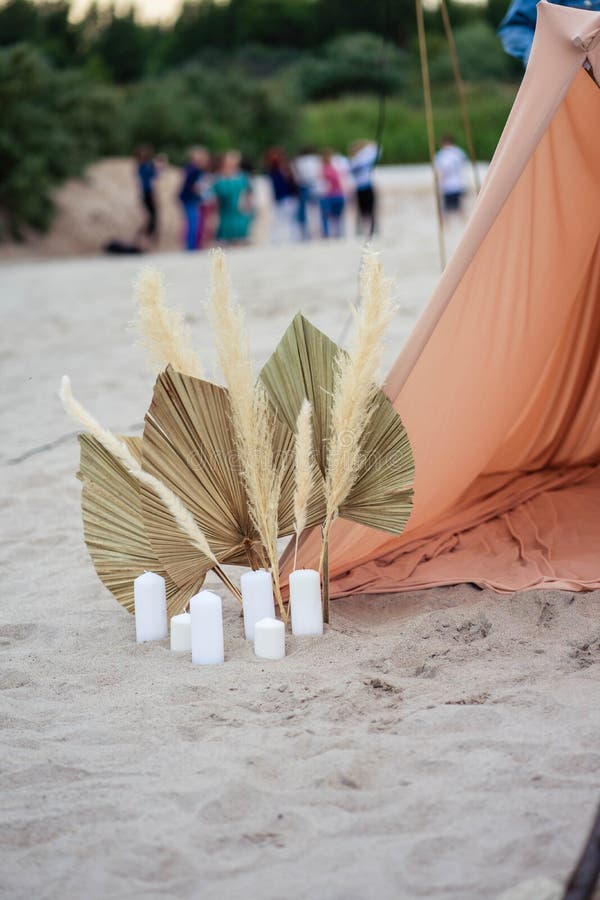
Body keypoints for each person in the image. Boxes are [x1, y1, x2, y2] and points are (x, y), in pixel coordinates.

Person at [212, 151, 254, 245]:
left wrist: (249, 203)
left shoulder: (242, 175)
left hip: (239, 205)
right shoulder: (219, 176)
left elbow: (248, 190)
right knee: (226, 224)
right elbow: (215, 192)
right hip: (225, 207)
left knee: (240, 225)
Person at [178, 147, 210, 251]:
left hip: (188, 198)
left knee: (192, 221)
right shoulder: (195, 170)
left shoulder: (189, 169)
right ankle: (192, 245)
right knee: (193, 222)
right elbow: (195, 187)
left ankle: (192, 244)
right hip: (190, 198)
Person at [265, 147, 299, 243]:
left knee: (290, 219)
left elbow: (293, 183)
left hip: (289, 197)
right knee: (278, 220)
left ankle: (292, 238)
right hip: (279, 198)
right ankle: (278, 239)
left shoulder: (287, 168)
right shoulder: (272, 170)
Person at [348, 139, 380, 237]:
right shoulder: (355, 160)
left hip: (367, 186)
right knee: (362, 210)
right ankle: (361, 230)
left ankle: (373, 229)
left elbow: (377, 150)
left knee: (370, 209)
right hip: (359, 188)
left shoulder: (362, 158)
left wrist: (366, 144)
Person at [292, 146, 321, 240]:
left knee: (303, 211)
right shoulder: (315, 160)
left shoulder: (298, 161)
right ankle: (317, 233)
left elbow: (297, 178)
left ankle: (304, 233)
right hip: (314, 186)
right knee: (315, 210)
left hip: (303, 186)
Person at [435, 135, 468, 217]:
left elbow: (441, 171)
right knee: (460, 207)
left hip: (448, 185)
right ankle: (463, 219)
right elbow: (464, 163)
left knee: (448, 209)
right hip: (459, 183)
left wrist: (438, 182)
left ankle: (449, 223)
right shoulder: (459, 152)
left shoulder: (441, 154)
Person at [319, 148, 346, 239]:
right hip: (331, 194)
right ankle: (331, 234)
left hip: (334, 194)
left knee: (333, 217)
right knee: (331, 217)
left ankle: (334, 234)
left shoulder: (333, 167)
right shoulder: (328, 168)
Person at [135, 145, 160, 241]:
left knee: (152, 215)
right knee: (152, 216)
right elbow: (154, 176)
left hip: (147, 192)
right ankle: (147, 235)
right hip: (148, 192)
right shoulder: (144, 167)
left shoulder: (143, 166)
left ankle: (147, 234)